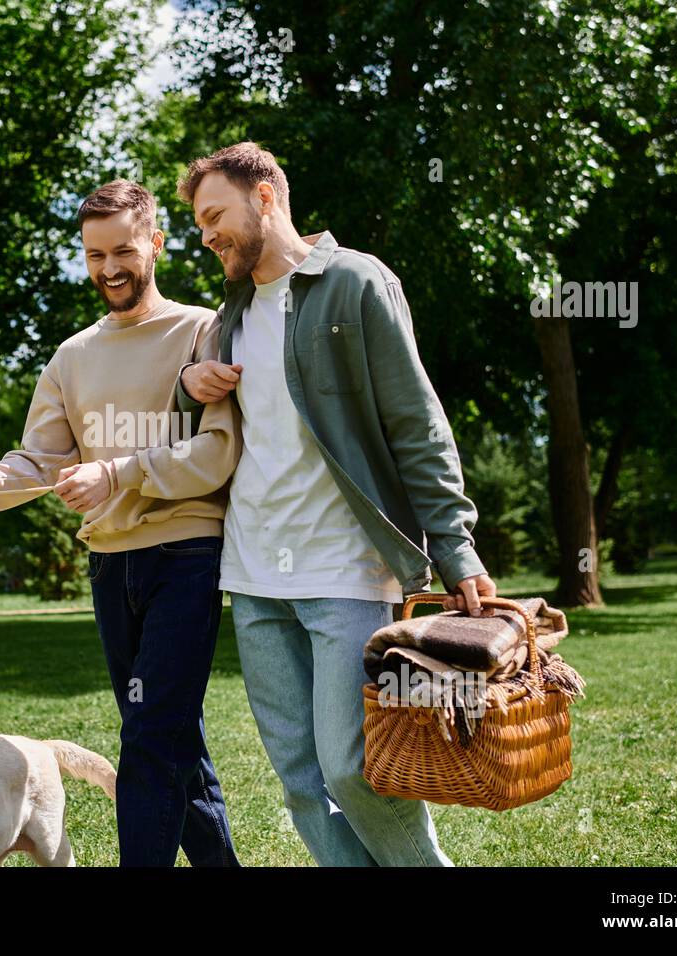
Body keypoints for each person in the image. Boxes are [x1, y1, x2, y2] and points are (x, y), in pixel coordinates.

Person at [0, 180, 243, 867]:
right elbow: (34, 464)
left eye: (123, 251)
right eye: (93, 254)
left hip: (185, 558)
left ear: (157, 245)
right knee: (173, 741)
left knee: (147, 737)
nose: (109, 268)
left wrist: (117, 473)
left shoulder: (204, 330)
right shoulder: (72, 356)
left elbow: (216, 452)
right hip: (111, 569)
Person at [175, 142, 497, 866]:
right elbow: (199, 415)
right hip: (253, 578)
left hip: (345, 570)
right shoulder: (229, 312)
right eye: (198, 224)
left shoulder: (355, 282)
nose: (206, 235)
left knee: (354, 770)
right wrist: (186, 385)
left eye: (215, 215)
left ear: (266, 197)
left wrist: (455, 544)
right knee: (299, 783)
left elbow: (416, 421)